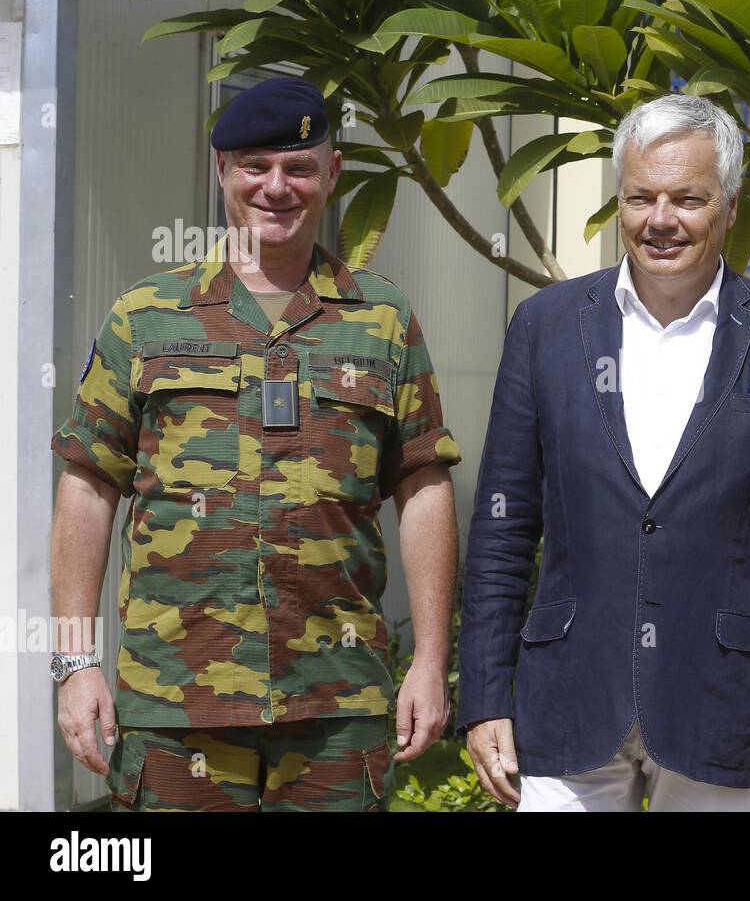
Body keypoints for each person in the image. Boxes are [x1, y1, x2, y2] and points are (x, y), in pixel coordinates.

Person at [49, 76, 461, 811]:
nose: (277, 187)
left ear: (332, 174)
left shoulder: (384, 319)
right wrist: (74, 663)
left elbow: (424, 486)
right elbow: (87, 487)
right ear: (222, 171)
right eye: (255, 166)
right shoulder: (146, 315)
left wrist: (431, 661)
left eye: (299, 167)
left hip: (337, 702)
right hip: (175, 702)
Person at [458, 94, 750, 811]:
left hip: (719, 700)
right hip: (570, 696)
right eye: (641, 197)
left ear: (729, 206)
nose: (660, 220)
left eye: (687, 199)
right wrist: (484, 699)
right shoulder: (545, 327)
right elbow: (502, 530)